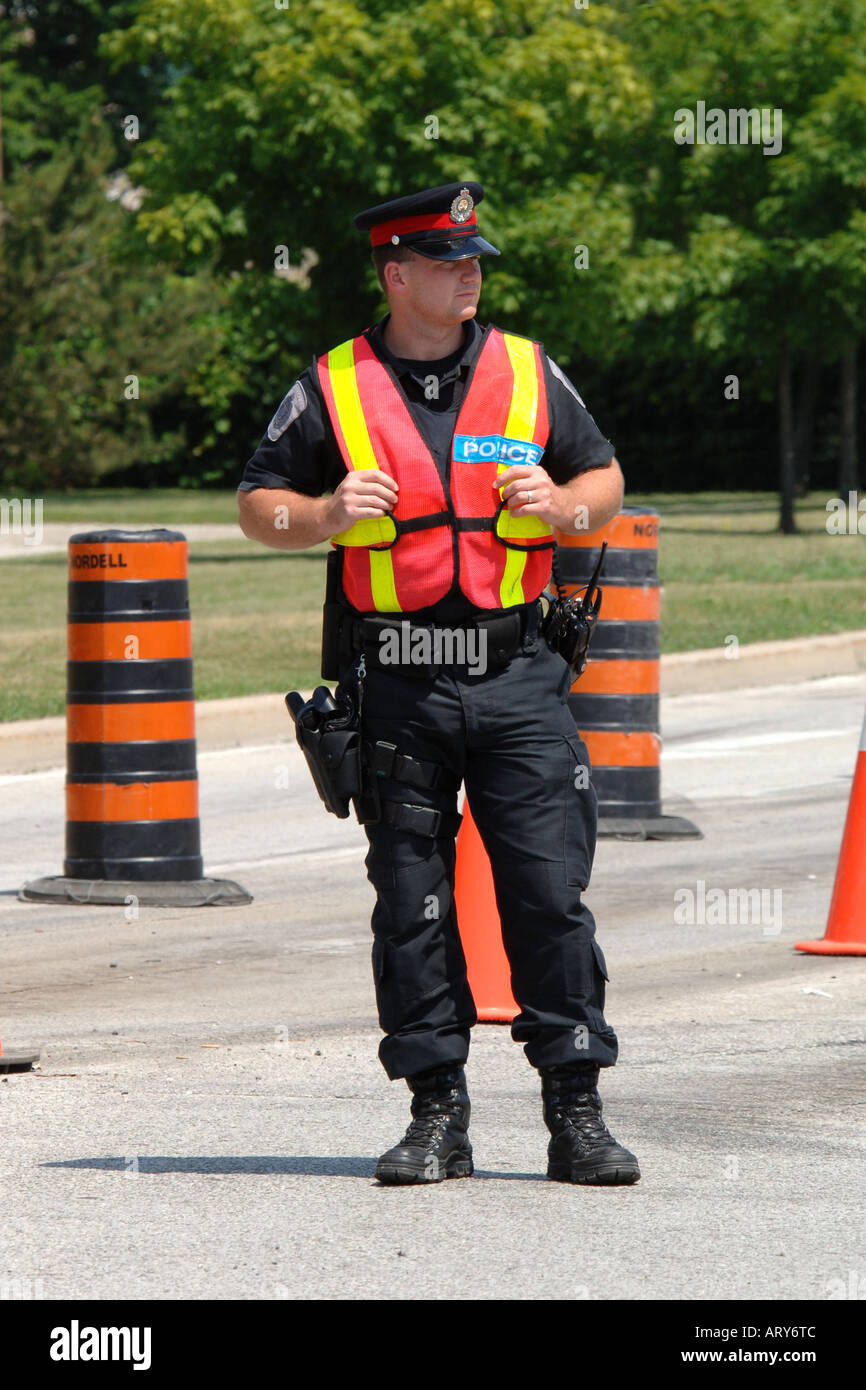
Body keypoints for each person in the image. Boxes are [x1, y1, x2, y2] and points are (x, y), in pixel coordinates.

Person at [238, 181, 640, 1187]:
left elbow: (603, 482)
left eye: (474, 261)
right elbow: (256, 506)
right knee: (411, 905)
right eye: (448, 260)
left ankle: (574, 1111)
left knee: (548, 897)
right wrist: (323, 516)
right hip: (398, 685)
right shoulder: (331, 384)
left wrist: (562, 509)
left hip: (517, 675)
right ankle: (435, 1115)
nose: (469, 273)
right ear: (395, 274)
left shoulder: (523, 370)